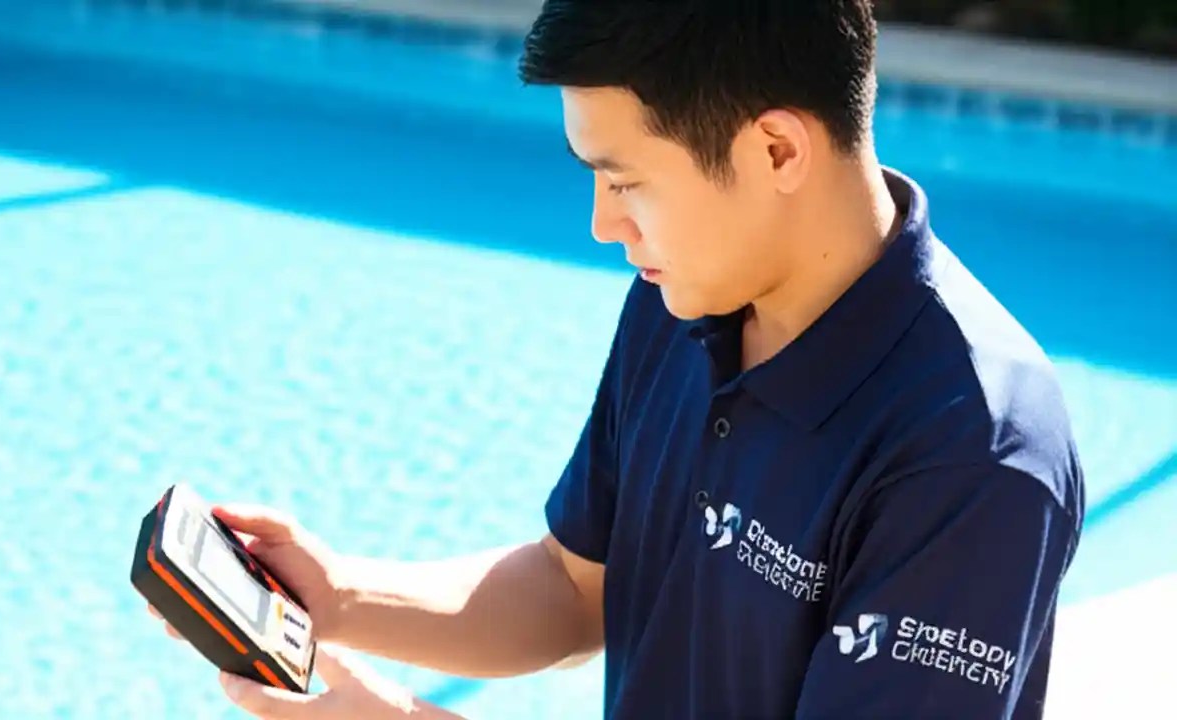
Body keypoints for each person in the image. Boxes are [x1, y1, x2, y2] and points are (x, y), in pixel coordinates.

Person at [149, 1, 1085, 718]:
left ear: (774, 148)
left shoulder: (977, 451)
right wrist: (340, 593)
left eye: (626, 179)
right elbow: (572, 587)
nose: (602, 224)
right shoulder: (681, 301)